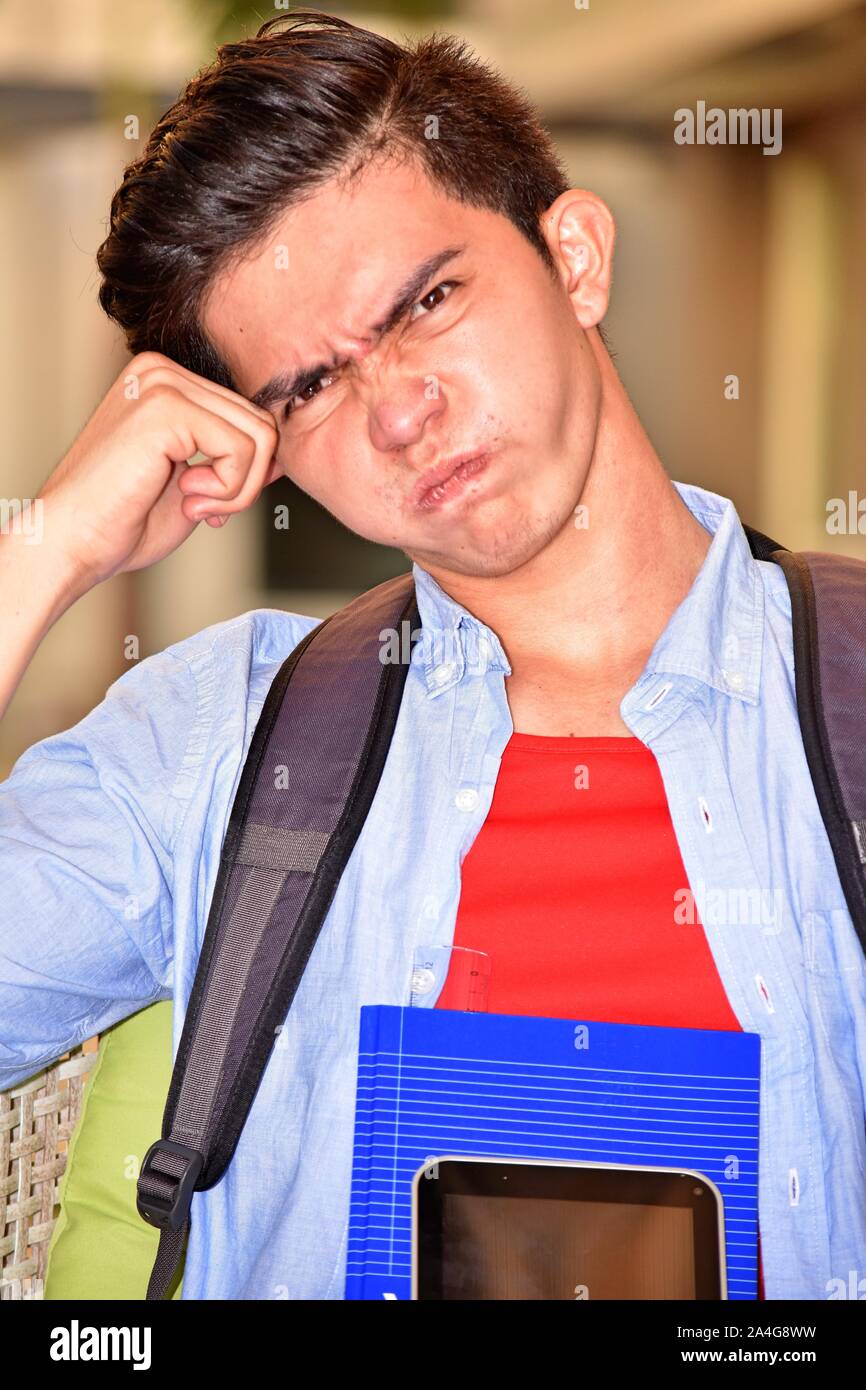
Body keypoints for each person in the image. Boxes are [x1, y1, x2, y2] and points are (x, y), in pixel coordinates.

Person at [1, 10, 865, 1302]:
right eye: (307, 387)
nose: (400, 408)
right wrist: (47, 547)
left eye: (429, 300)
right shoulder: (222, 738)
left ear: (571, 255)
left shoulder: (848, 691)